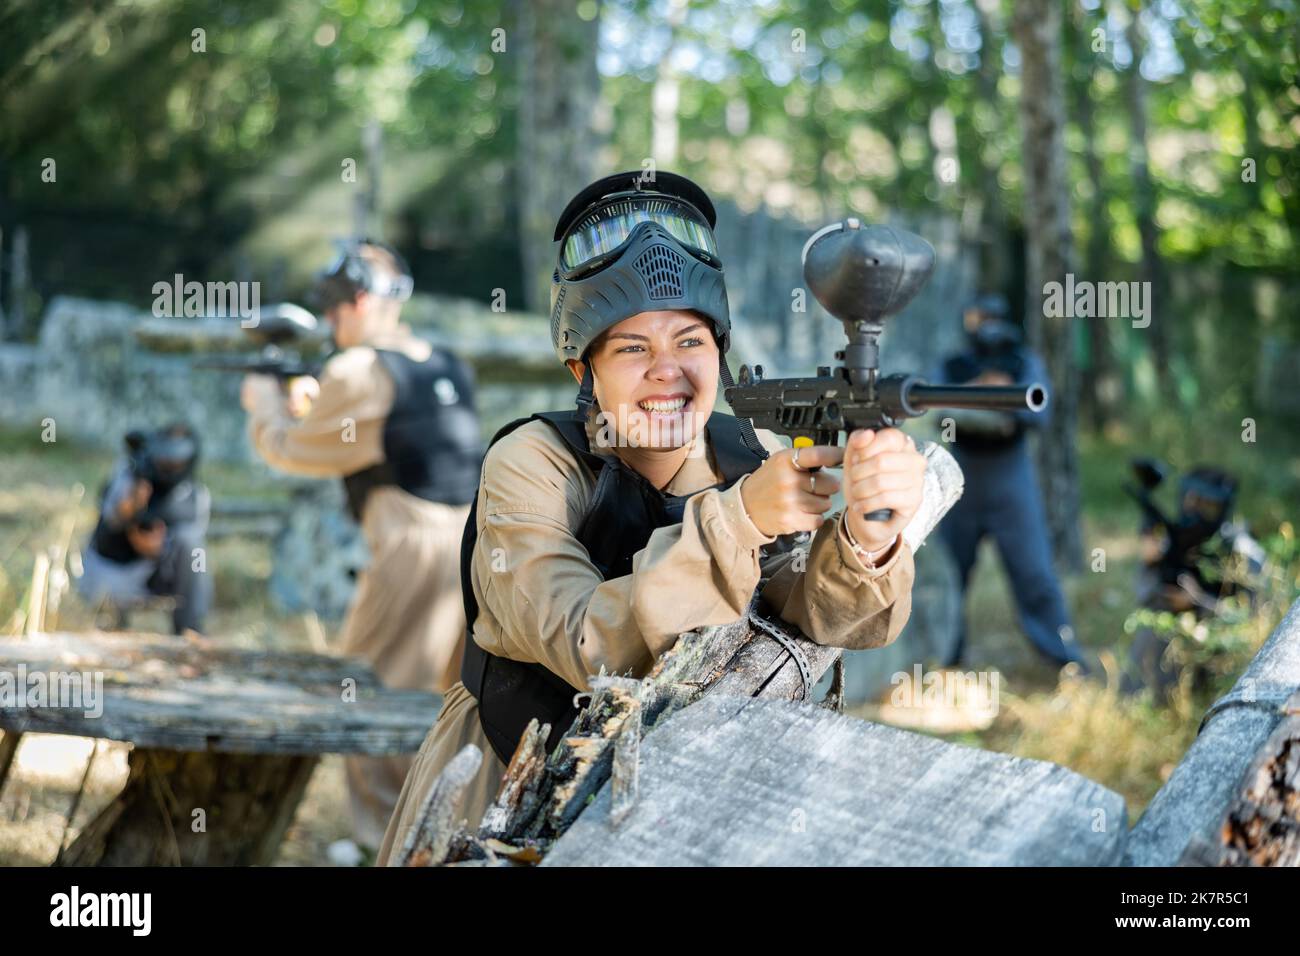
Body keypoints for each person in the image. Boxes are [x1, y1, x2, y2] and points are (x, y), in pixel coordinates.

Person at [377, 171, 928, 865]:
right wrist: (739, 521)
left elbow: (818, 616)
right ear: (585, 371)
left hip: (687, 803)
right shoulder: (532, 462)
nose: (668, 371)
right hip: (508, 792)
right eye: (633, 349)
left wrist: (867, 537)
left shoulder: (745, 453)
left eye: (691, 343)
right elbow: (585, 645)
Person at [240, 238, 484, 855]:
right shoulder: (443, 359)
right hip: (478, 543)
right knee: (454, 703)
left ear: (363, 299)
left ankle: (388, 845)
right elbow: (367, 430)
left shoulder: (355, 370)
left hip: (413, 545)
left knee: (371, 692)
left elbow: (293, 449)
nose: (329, 319)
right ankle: (455, 838)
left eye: (335, 304)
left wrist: (263, 401)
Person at [931, 294, 1088, 671]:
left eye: (990, 317)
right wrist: (981, 390)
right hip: (960, 474)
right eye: (976, 316)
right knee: (949, 574)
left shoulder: (1022, 362)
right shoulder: (953, 364)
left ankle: (1063, 658)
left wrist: (1001, 392)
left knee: (1034, 571)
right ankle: (943, 657)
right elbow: (936, 409)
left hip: (1010, 473)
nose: (984, 325)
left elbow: (1039, 410)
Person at [78, 424, 212, 635]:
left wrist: (159, 550)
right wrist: (126, 514)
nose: (167, 464)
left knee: (194, 548)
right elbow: (105, 532)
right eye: (164, 457)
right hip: (111, 574)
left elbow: (192, 555)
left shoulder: (195, 497)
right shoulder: (127, 477)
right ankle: (111, 625)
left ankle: (190, 633)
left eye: (175, 460)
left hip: (154, 578)